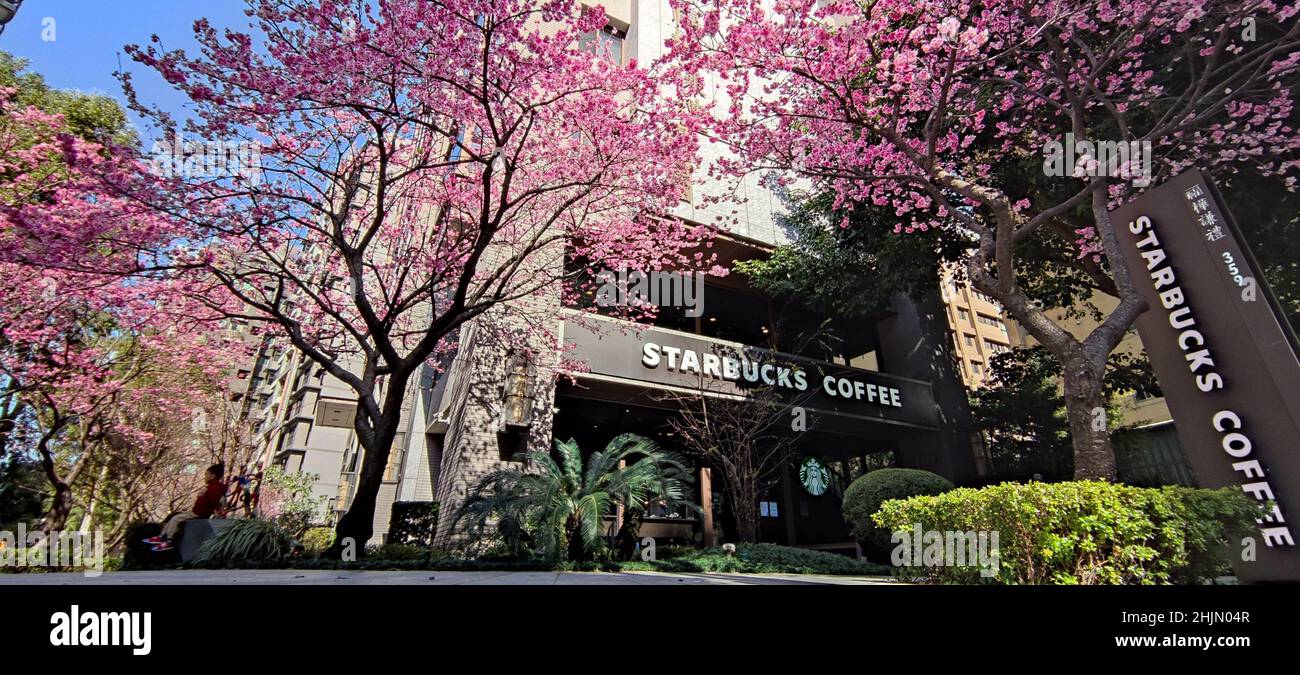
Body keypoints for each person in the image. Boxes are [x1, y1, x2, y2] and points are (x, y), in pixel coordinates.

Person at [143, 463, 227, 552]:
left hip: (199, 514)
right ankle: (162, 536)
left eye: (206, 475)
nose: (204, 477)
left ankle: (169, 540)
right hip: (196, 512)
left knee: (176, 519)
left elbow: (213, 501)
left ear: (213, 476)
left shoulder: (215, 488)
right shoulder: (210, 487)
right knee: (173, 517)